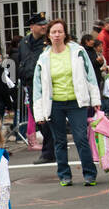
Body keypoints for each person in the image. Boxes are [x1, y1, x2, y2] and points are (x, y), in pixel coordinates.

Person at [34, 18, 102, 186]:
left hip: (76, 102)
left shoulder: (78, 51)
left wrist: (95, 99)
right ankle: (64, 175)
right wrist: (39, 113)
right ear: (48, 36)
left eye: (60, 31)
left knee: (80, 138)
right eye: (53, 32)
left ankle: (89, 173)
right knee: (59, 141)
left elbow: (90, 75)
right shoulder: (43, 58)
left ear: (65, 34)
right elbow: (38, 88)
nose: (57, 35)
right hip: (54, 104)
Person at [15, 13, 52, 159]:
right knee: (39, 118)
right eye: (40, 24)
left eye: (45, 24)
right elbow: (21, 61)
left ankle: (49, 151)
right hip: (30, 86)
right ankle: (50, 150)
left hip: (45, 85)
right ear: (32, 27)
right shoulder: (24, 42)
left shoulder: (47, 43)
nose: (44, 26)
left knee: (47, 119)